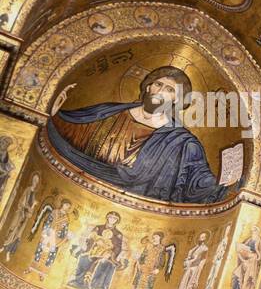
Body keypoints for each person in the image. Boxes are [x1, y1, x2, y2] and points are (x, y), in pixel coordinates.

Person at [45, 67, 231, 204]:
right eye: (158, 84)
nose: (160, 91)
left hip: (134, 209)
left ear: (176, 99)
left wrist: (227, 185)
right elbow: (72, 131)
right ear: (149, 87)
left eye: (170, 90)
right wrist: (54, 113)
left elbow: (199, 181)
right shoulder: (109, 113)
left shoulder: (182, 142)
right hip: (75, 190)